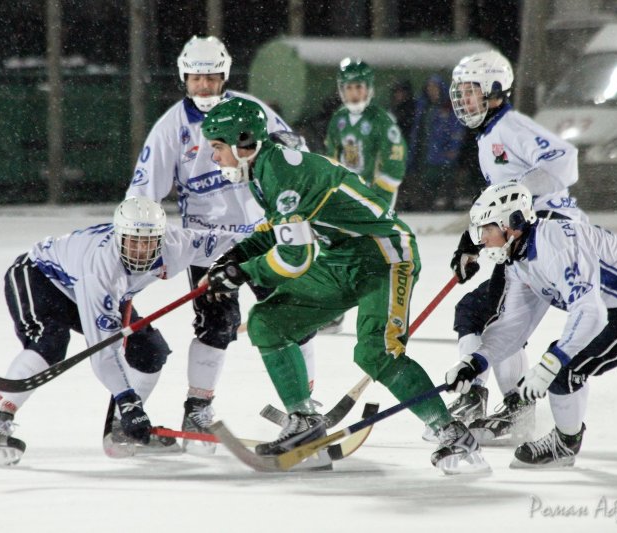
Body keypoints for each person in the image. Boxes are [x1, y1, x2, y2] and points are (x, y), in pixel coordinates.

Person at [200, 96, 490, 475]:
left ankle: (451, 433)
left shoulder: (277, 173)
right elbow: (279, 230)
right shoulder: (264, 169)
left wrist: (243, 273)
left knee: (376, 353)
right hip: (345, 256)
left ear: (242, 142)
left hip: (385, 255)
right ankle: (303, 421)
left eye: (218, 147)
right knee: (267, 322)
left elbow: (294, 257)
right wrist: (236, 257)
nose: (214, 157)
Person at [124, 35, 315, 455]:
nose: (204, 87)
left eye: (211, 78)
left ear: (224, 76)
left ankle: (305, 407)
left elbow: (297, 152)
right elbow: (143, 192)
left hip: (265, 236)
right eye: (196, 79)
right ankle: (197, 409)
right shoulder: (170, 127)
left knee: (297, 319)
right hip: (207, 244)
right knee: (216, 326)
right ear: (184, 78)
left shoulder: (251, 110)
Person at [445, 181, 617, 467]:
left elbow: (589, 313)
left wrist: (552, 364)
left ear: (512, 223)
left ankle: (565, 445)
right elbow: (513, 325)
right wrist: (476, 361)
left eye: (487, 229)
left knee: (565, 368)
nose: (481, 239)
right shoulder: (519, 260)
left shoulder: (556, 246)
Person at [0, 197, 236, 466]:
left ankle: (122, 431)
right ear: (120, 237)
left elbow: (230, 242)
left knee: (149, 350)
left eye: (148, 241)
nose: (141, 250)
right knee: (50, 342)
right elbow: (105, 352)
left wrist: (272, 240)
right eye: (133, 240)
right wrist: (128, 402)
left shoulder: (177, 244)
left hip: (85, 288)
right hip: (39, 275)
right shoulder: (102, 269)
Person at [439, 50, 588, 446]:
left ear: (493, 90)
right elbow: (498, 195)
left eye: (470, 92)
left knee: (490, 318)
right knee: (483, 314)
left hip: (548, 238)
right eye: (461, 93)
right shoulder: (490, 135)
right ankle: (504, 402)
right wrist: (471, 241)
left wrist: (518, 198)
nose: (463, 102)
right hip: (525, 239)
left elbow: (565, 161)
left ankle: (497, 400)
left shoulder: (509, 127)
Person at [325, 58, 407, 208]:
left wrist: (380, 193)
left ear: (369, 88)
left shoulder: (380, 119)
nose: (354, 94)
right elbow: (332, 156)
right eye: (349, 88)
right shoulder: (338, 118)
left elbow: (395, 159)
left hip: (374, 193)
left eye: (359, 87)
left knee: (372, 231)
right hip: (345, 193)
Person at [405, 74, 466, 211]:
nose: (431, 91)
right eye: (429, 88)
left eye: (434, 88)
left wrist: (452, 150)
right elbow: (417, 131)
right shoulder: (424, 108)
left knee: (443, 186)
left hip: (441, 157)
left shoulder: (449, 108)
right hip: (424, 155)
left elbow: (456, 130)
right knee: (423, 187)